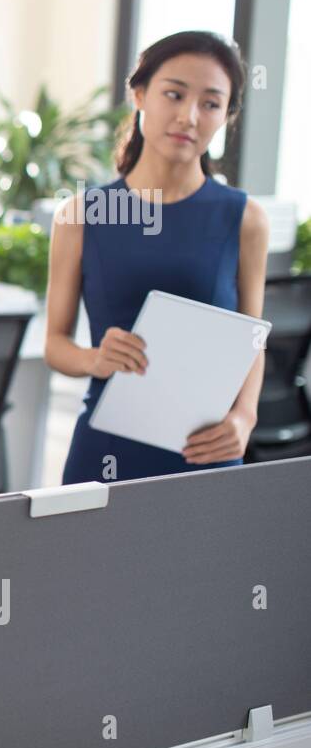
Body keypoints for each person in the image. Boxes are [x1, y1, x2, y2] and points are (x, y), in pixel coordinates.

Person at [46, 31, 269, 483]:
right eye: (174, 94)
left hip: (207, 451)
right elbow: (55, 343)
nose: (189, 116)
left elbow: (252, 339)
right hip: (106, 449)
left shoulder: (246, 218)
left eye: (210, 103)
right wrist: (94, 359)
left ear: (227, 116)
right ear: (140, 94)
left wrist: (245, 418)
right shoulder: (80, 215)